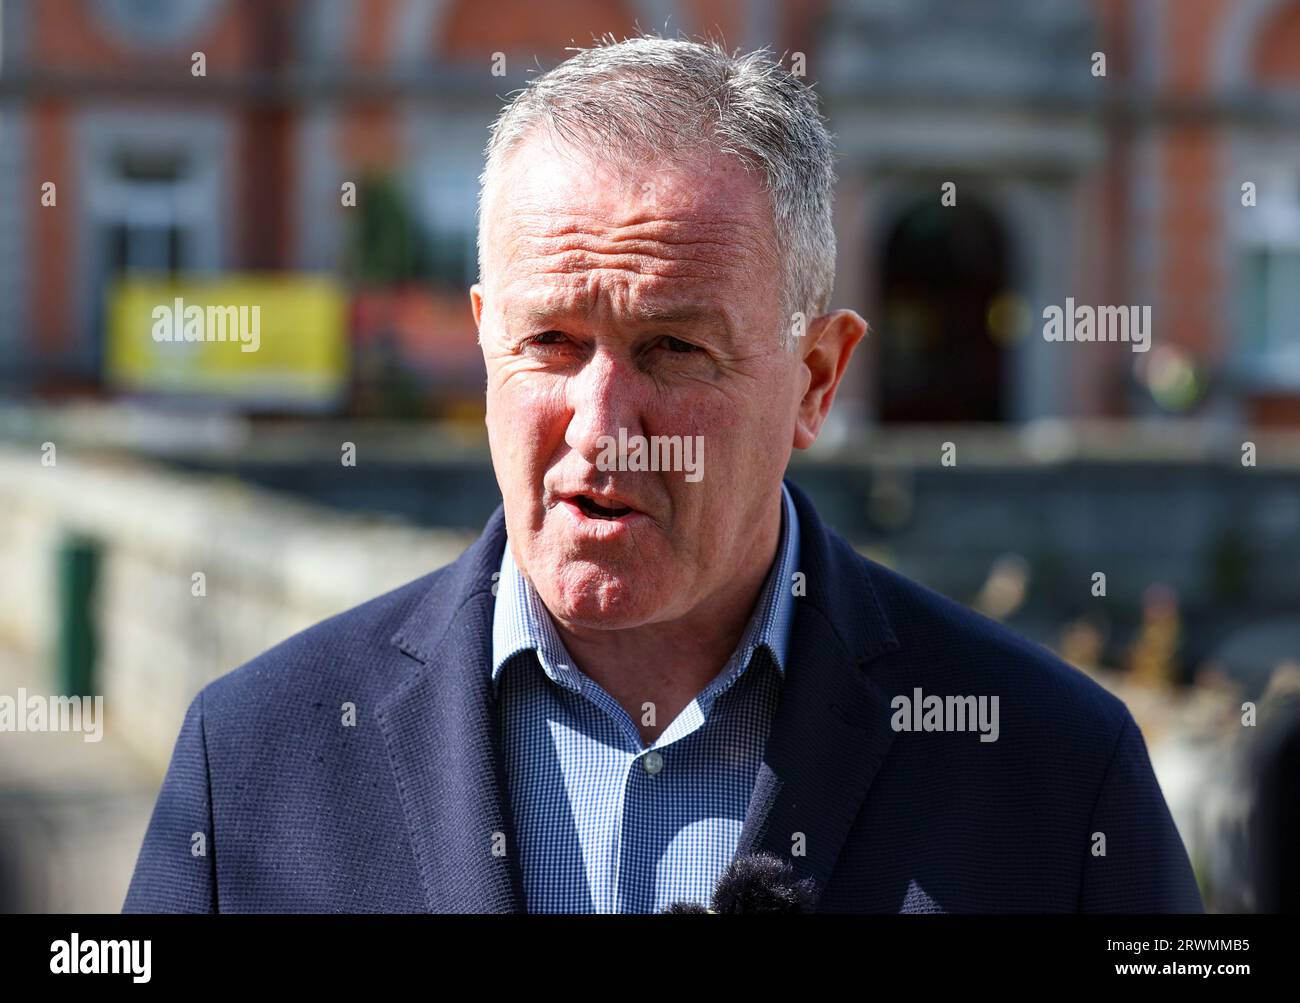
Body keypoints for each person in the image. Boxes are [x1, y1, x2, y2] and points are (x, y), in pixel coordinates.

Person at [124, 33, 1203, 914]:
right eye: (549, 341)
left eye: (674, 351)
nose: (601, 427)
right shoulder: (258, 756)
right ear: (485, 339)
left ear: (817, 378)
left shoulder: (1056, 775)